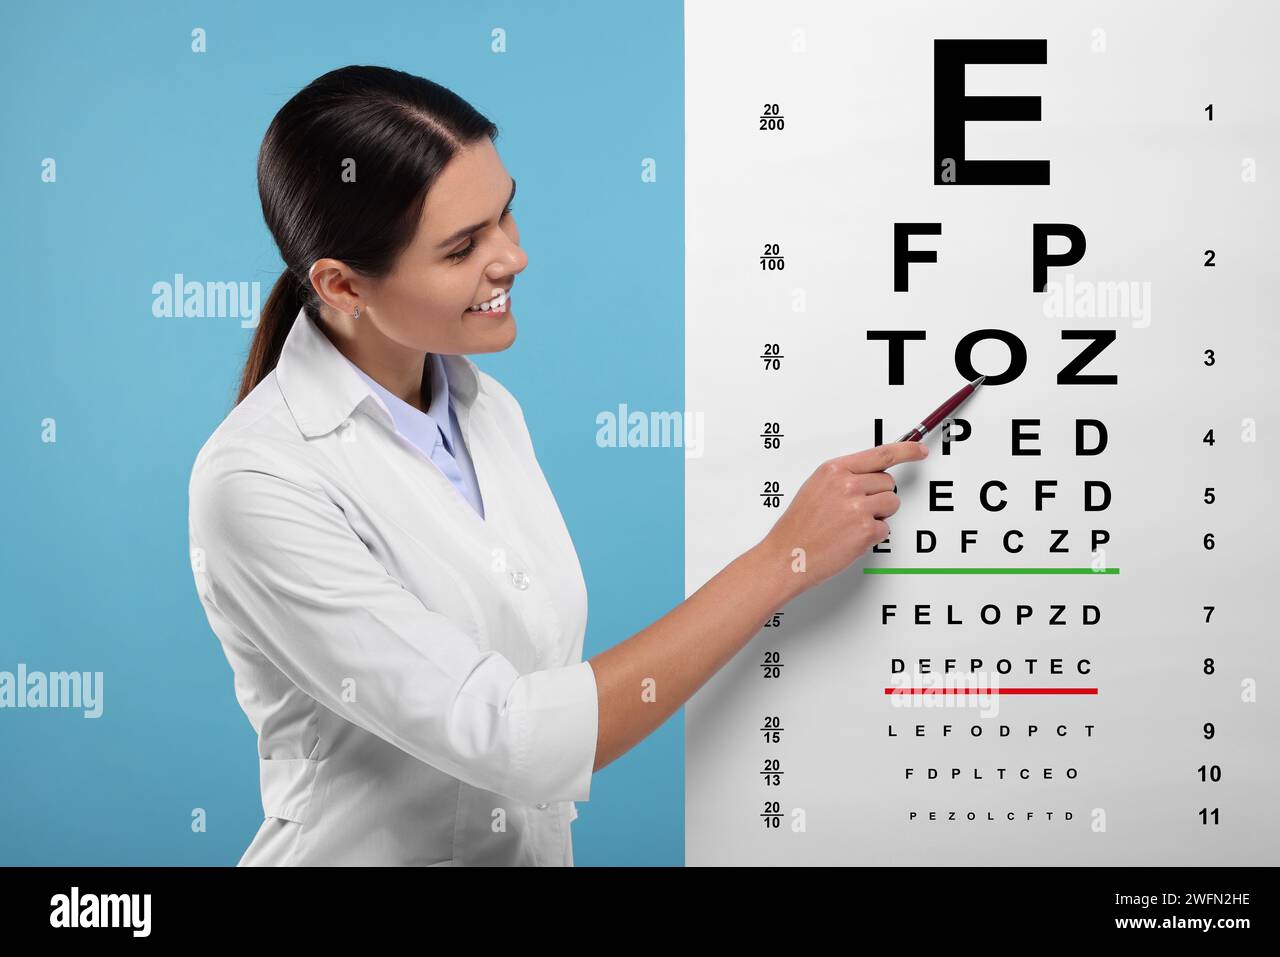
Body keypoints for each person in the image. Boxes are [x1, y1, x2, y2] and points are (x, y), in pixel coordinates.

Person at [187, 64, 928, 867]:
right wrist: (779, 562)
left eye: (505, 213)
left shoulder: (486, 409)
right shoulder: (259, 482)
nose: (513, 257)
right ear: (341, 283)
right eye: (463, 246)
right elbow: (513, 734)